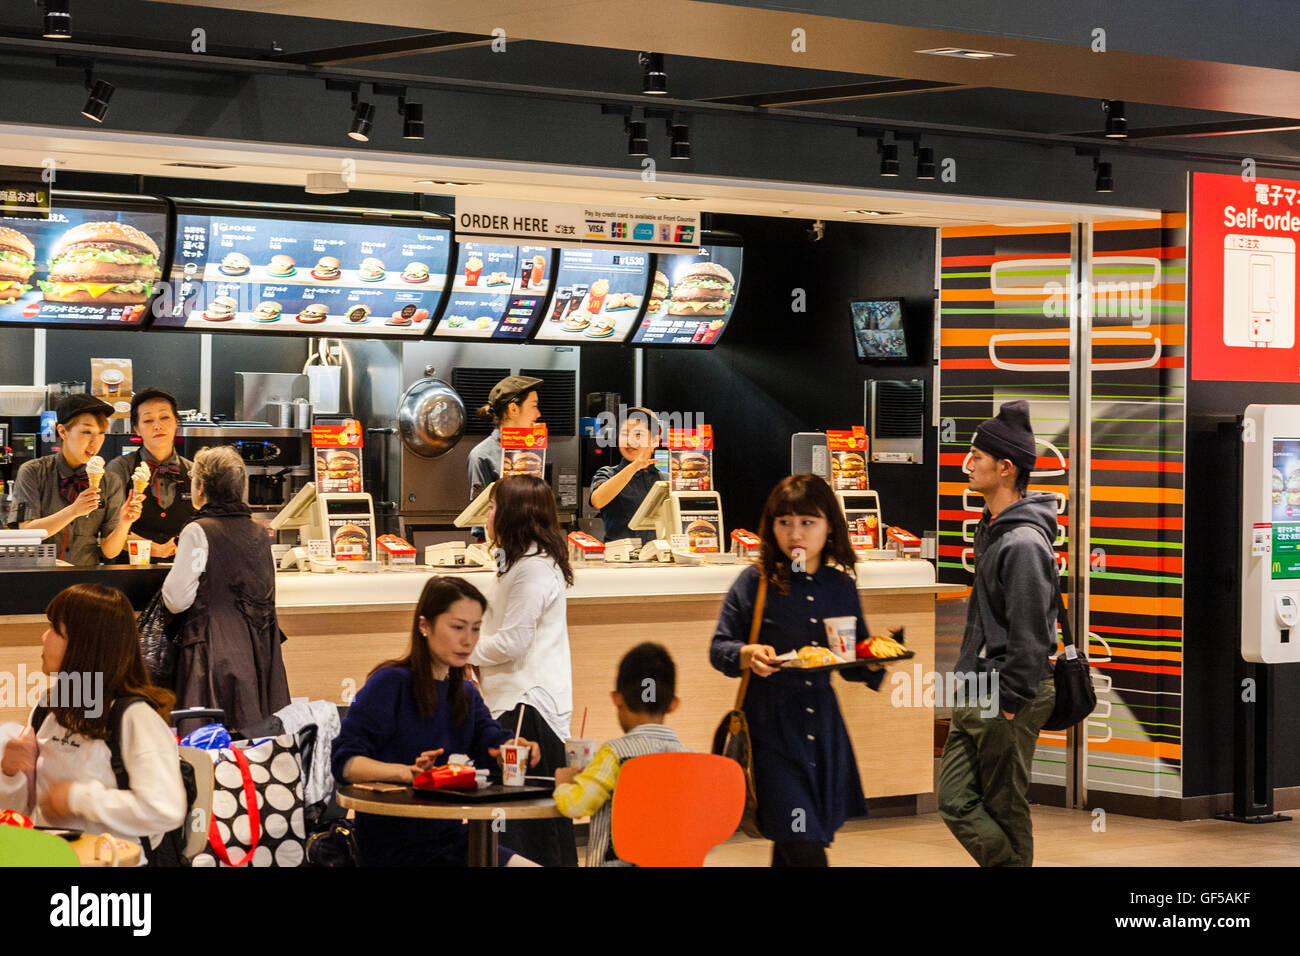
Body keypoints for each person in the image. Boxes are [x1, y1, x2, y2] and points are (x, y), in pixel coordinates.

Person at [710, 474, 888, 867]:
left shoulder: (840, 585)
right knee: (801, 839)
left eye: (808, 522)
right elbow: (719, 648)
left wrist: (873, 658)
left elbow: (853, 664)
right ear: (771, 526)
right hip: (770, 731)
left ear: (829, 527)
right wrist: (747, 654)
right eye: (784, 522)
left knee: (796, 844)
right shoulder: (754, 582)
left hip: (823, 730)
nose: (795, 534)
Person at [331, 576, 540, 867]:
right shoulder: (390, 683)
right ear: (424, 626)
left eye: (476, 629)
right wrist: (409, 773)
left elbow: (490, 745)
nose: (468, 640)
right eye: (457, 627)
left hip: (454, 840)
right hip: (395, 847)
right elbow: (345, 763)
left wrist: (511, 749)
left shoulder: (466, 693)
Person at [938, 400, 1058, 867]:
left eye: (977, 457)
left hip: (1008, 692)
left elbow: (1031, 634)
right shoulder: (993, 529)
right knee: (954, 800)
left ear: (1006, 468)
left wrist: (1010, 698)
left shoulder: (1023, 542)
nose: (967, 464)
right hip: (976, 686)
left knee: (1006, 809)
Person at [0, 583, 186, 859]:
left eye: (54, 629)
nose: (43, 637)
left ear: (83, 645)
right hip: (49, 856)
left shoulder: (134, 717)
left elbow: (165, 808)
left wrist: (77, 799)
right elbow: (25, 812)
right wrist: (10, 772)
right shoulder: (48, 708)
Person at [468, 473, 576, 865]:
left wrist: (462, 652)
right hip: (513, 704)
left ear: (512, 514)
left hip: (527, 710)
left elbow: (513, 642)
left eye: (493, 507)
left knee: (530, 828)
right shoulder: (518, 563)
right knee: (520, 822)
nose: (487, 515)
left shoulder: (532, 570)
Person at [162, 445, 289, 734]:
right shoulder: (259, 531)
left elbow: (176, 599)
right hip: (258, 655)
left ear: (201, 486)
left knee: (209, 742)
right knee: (248, 741)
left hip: (211, 653)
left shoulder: (198, 530)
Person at [553, 642, 688, 867]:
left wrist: (563, 785)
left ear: (618, 699)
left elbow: (577, 806)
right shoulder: (689, 759)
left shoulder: (615, 755)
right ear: (673, 704)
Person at [9, 394, 142, 566]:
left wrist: (125, 522)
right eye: (86, 432)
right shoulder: (34, 472)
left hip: (85, 579)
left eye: (101, 433)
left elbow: (110, 551)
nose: (95, 442)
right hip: (38, 576)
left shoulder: (110, 481)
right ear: (63, 431)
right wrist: (73, 511)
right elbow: (26, 533)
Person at [106, 387, 195, 561]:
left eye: (165, 417)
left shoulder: (194, 472)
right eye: (148, 420)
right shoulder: (119, 469)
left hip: (184, 570)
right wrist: (155, 549)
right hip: (129, 572)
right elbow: (108, 531)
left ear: (176, 422)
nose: (157, 425)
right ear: (136, 429)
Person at [466, 375, 542, 540]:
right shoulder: (481, 455)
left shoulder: (535, 451)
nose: (538, 414)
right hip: (501, 547)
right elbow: (480, 522)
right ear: (513, 409)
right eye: (534, 406)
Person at [588, 407, 665, 544]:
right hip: (619, 560)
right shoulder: (607, 473)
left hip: (659, 559)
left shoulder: (666, 479)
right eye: (624, 434)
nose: (630, 441)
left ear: (655, 441)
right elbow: (597, 500)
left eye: (638, 435)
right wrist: (634, 467)